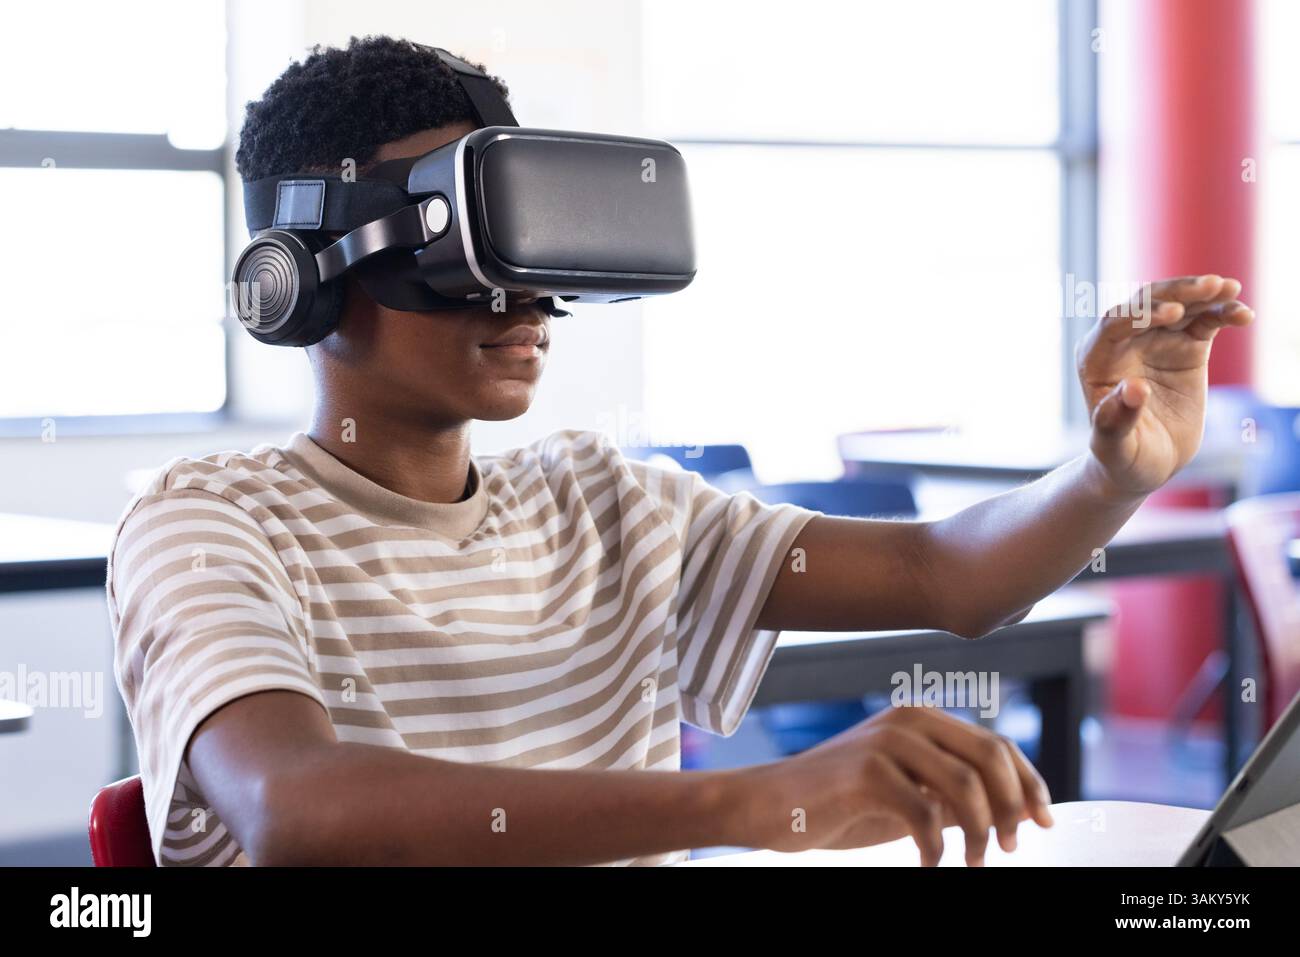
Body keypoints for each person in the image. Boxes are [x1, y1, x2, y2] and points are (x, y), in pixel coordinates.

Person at [108, 36, 1254, 867]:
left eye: (532, 242)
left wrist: (1110, 478)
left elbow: (945, 574)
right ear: (299, 275)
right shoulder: (208, 526)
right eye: (462, 250)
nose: (525, 302)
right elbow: (301, 813)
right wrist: (754, 804)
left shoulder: (605, 504)